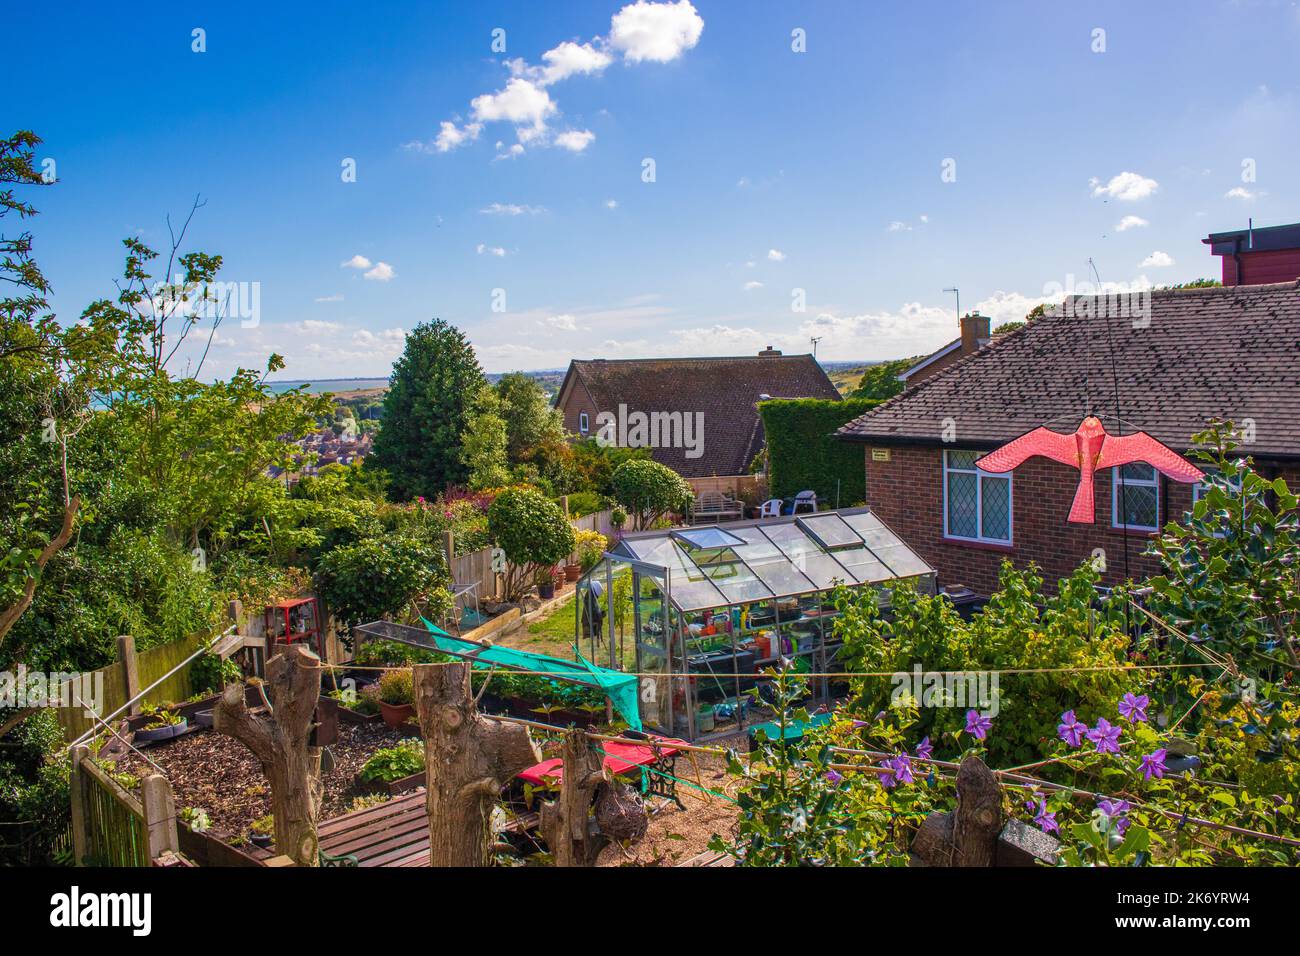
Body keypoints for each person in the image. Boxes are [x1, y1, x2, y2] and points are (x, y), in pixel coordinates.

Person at [582, 579, 606, 646]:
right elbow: (594, 614)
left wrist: (600, 613)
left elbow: (594, 611)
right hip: (590, 624)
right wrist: (601, 614)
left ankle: (596, 645)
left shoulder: (590, 597)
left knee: (592, 643)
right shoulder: (590, 599)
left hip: (590, 622)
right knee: (591, 643)